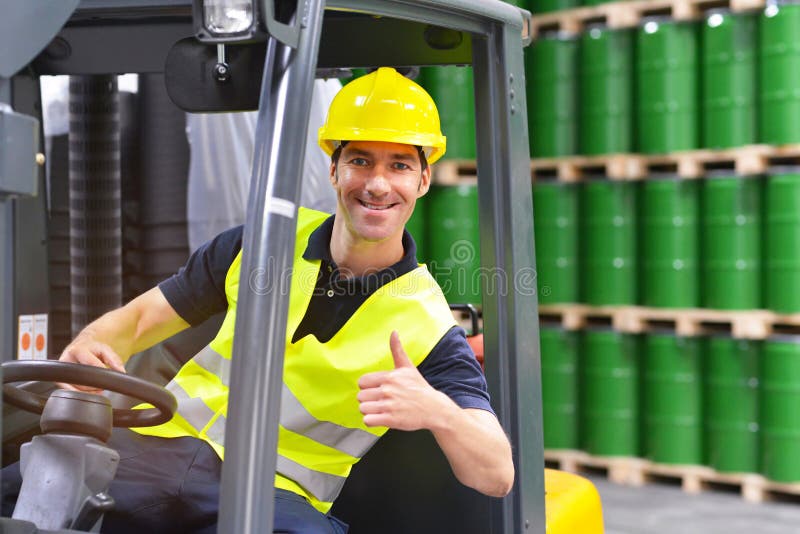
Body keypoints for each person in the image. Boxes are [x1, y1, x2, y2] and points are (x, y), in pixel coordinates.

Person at [2, 67, 514, 533]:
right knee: (24, 486)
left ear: (423, 180)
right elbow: (138, 321)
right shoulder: (259, 243)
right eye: (360, 160)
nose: (377, 184)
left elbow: (497, 475)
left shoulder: (428, 323)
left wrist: (437, 411)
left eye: (399, 165)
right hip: (157, 454)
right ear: (333, 170)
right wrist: (91, 342)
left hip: (277, 496)